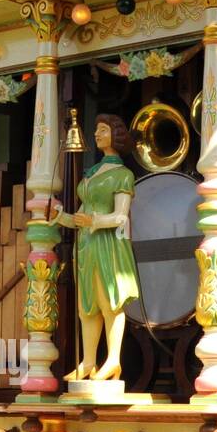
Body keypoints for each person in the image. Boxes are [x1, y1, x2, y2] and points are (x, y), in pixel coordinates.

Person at [52, 114, 140, 382]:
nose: (97, 134)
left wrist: (94, 221)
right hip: (87, 244)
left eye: (103, 130)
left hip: (108, 244)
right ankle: (89, 360)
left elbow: (121, 216)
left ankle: (113, 360)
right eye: (97, 130)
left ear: (116, 135)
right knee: (87, 305)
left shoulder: (123, 175)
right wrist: (60, 217)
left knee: (109, 302)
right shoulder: (92, 173)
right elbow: (80, 215)